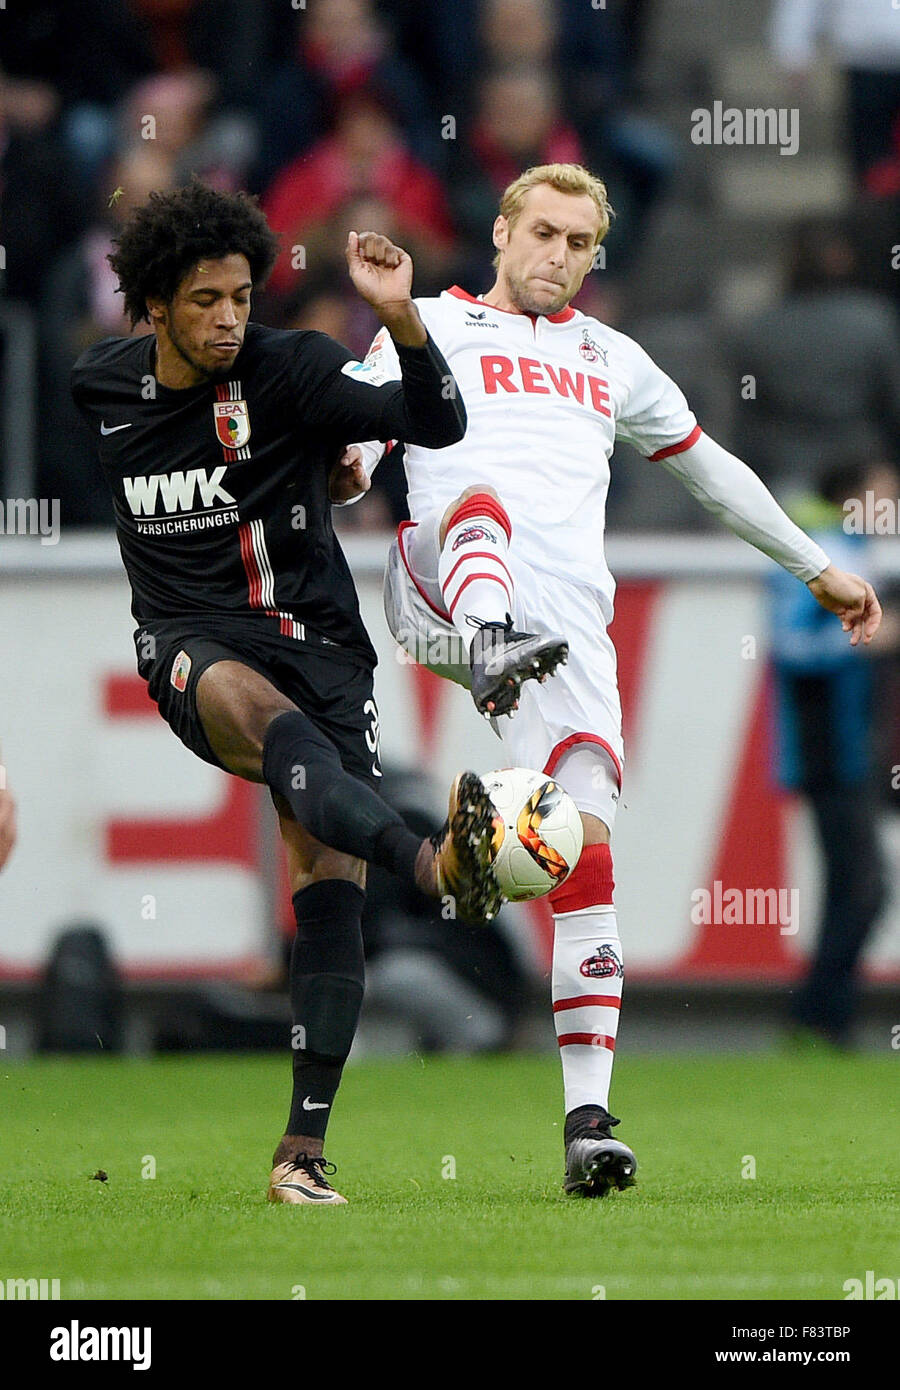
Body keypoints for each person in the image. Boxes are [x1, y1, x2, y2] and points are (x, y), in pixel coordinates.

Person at [336, 162, 883, 1197]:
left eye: (579, 243)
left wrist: (816, 567)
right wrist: (342, 471)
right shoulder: (429, 327)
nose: (557, 256)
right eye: (540, 232)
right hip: (440, 587)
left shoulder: (611, 359)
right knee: (481, 504)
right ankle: (493, 646)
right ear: (501, 231)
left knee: (583, 849)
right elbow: (355, 444)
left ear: (596, 254)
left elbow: (710, 468)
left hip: (565, 639)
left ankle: (588, 1121)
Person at [70, 180, 502, 1207]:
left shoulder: (294, 369)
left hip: (320, 649)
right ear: (154, 302)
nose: (227, 317)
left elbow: (436, 422)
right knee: (254, 713)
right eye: (206, 299)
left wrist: (399, 320)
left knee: (325, 897)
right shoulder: (99, 387)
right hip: (191, 643)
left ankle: (300, 1155)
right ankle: (432, 863)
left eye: (239, 296)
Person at [768, 459, 894, 1046]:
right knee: (863, 886)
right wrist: (868, 640)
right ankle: (818, 1016)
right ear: (850, 496)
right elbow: (791, 644)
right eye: (882, 492)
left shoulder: (858, 552)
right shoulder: (822, 554)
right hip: (829, 751)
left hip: (853, 750)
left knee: (855, 885)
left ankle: (820, 1019)